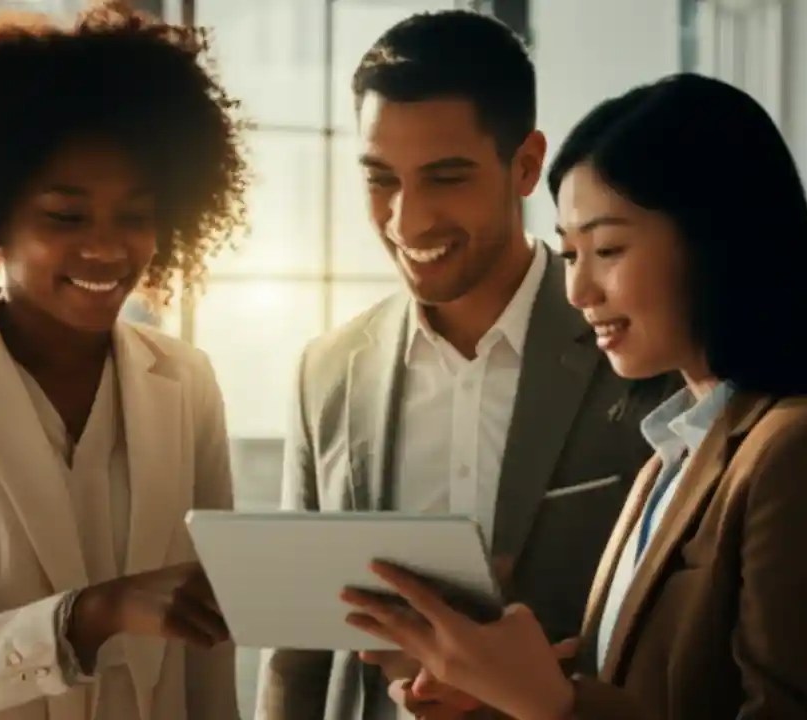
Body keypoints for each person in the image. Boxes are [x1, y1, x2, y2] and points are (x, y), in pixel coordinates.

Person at [341, 73, 807, 720]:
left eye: (608, 249)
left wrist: (551, 702)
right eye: (569, 255)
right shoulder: (666, 461)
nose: (578, 291)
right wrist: (496, 697)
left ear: (716, 239)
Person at [255, 11, 669, 720]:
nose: (407, 220)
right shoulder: (326, 372)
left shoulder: (635, 349)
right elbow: (299, 653)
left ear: (527, 165)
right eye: (381, 179)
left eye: (445, 178)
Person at [0, 4, 248, 719]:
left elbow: (209, 648)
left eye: (135, 216)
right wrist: (95, 613)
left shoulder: (186, 381)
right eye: (65, 216)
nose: (107, 248)